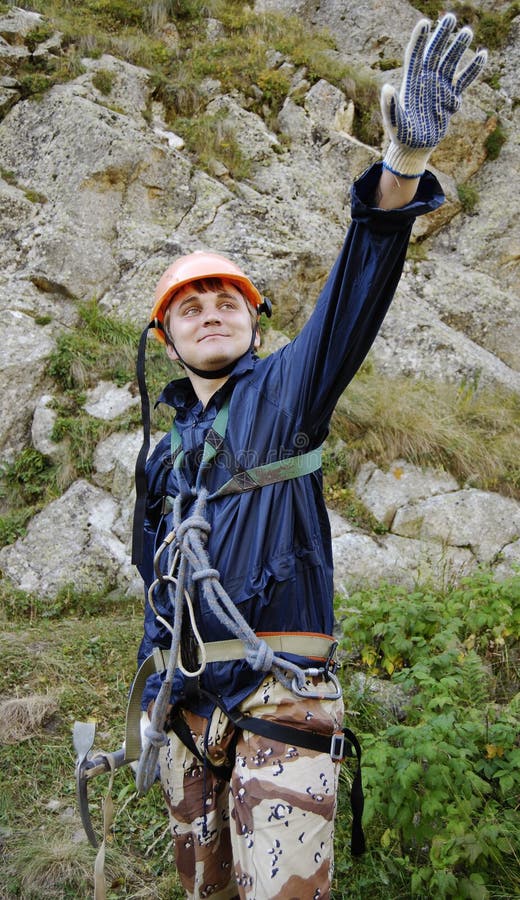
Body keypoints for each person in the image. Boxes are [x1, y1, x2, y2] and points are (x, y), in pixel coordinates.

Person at [132, 14, 486, 898]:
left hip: (283, 697)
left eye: (226, 300)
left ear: (253, 320)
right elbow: (156, 581)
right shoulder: (161, 456)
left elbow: (355, 289)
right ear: (167, 337)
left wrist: (401, 164)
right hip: (186, 712)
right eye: (189, 305)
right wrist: (148, 699)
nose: (210, 311)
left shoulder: (290, 392)